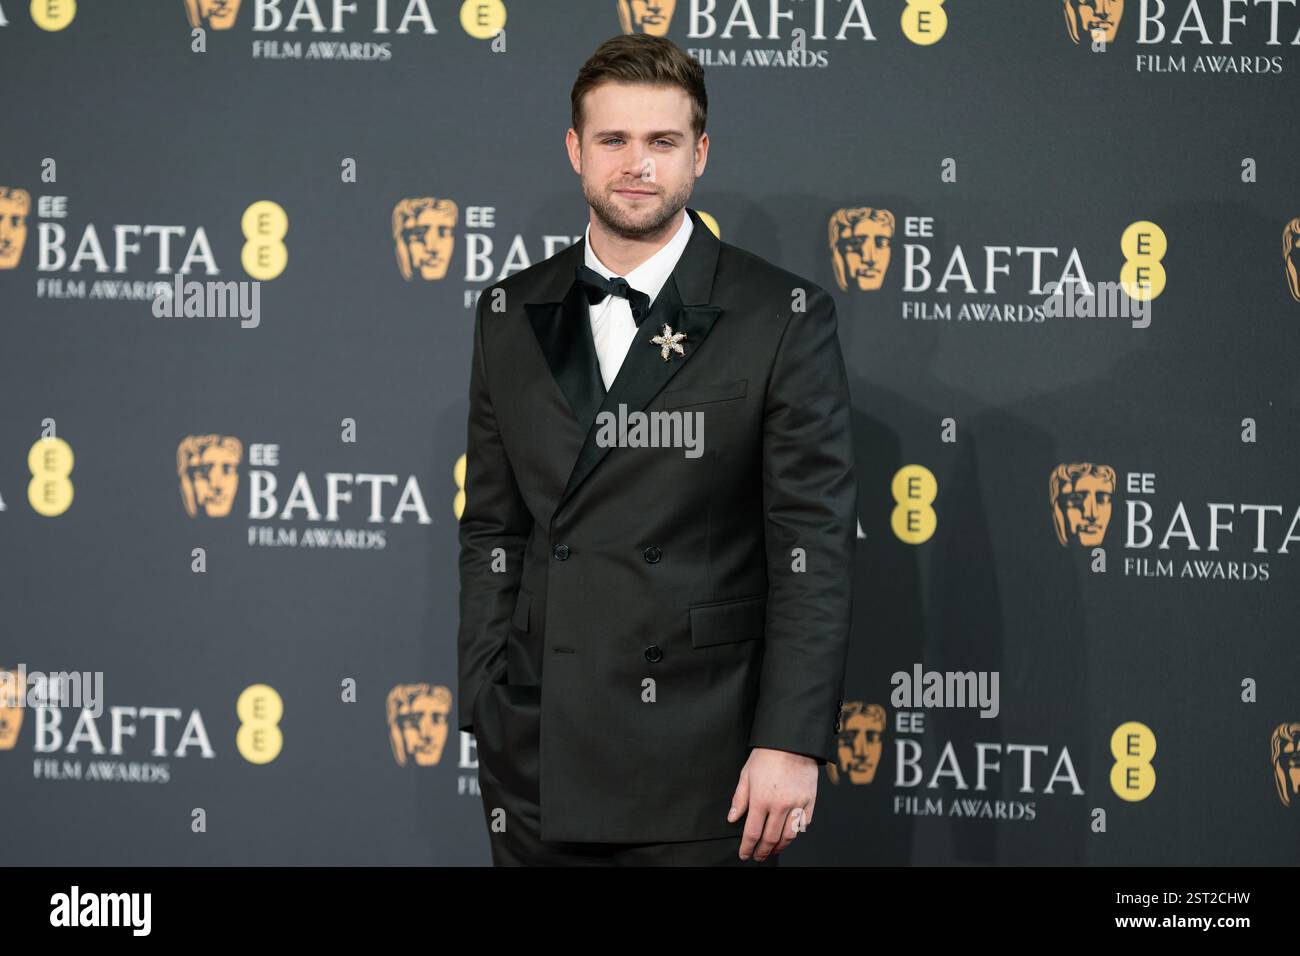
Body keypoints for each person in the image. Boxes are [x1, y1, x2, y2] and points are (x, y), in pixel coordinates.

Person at [457, 33, 857, 866]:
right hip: (540, 753)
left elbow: (810, 545)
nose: (637, 164)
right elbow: (492, 529)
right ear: (575, 150)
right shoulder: (507, 311)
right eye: (614, 140)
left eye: (662, 142)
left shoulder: (779, 314)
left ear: (699, 153)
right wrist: (486, 697)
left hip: (706, 752)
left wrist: (791, 739)